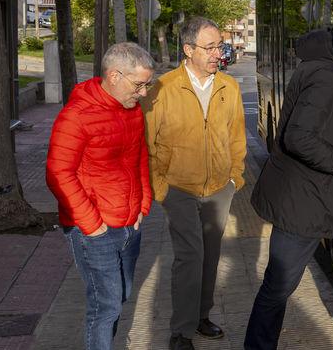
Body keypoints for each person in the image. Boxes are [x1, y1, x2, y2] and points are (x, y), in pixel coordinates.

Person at [244, 4, 333, 350]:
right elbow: (298, 137)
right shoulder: (329, 75)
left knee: (278, 286)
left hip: (310, 196)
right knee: (278, 287)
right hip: (302, 203)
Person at [145, 17, 247, 350]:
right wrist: (160, 187)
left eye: (220, 45)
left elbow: (236, 137)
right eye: (211, 47)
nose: (219, 53)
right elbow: (147, 142)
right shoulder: (163, 88)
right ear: (188, 50)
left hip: (219, 187)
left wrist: (235, 177)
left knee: (210, 255)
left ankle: (202, 315)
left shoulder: (228, 87)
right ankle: (182, 330)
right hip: (178, 188)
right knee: (190, 256)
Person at [46, 42, 154, 350]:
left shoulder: (132, 111)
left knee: (119, 297)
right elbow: (58, 173)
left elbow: (140, 158)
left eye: (148, 85)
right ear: (115, 75)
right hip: (93, 229)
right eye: (139, 85)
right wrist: (91, 224)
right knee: (105, 306)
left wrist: (143, 206)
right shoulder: (76, 116)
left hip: (129, 223)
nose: (144, 93)